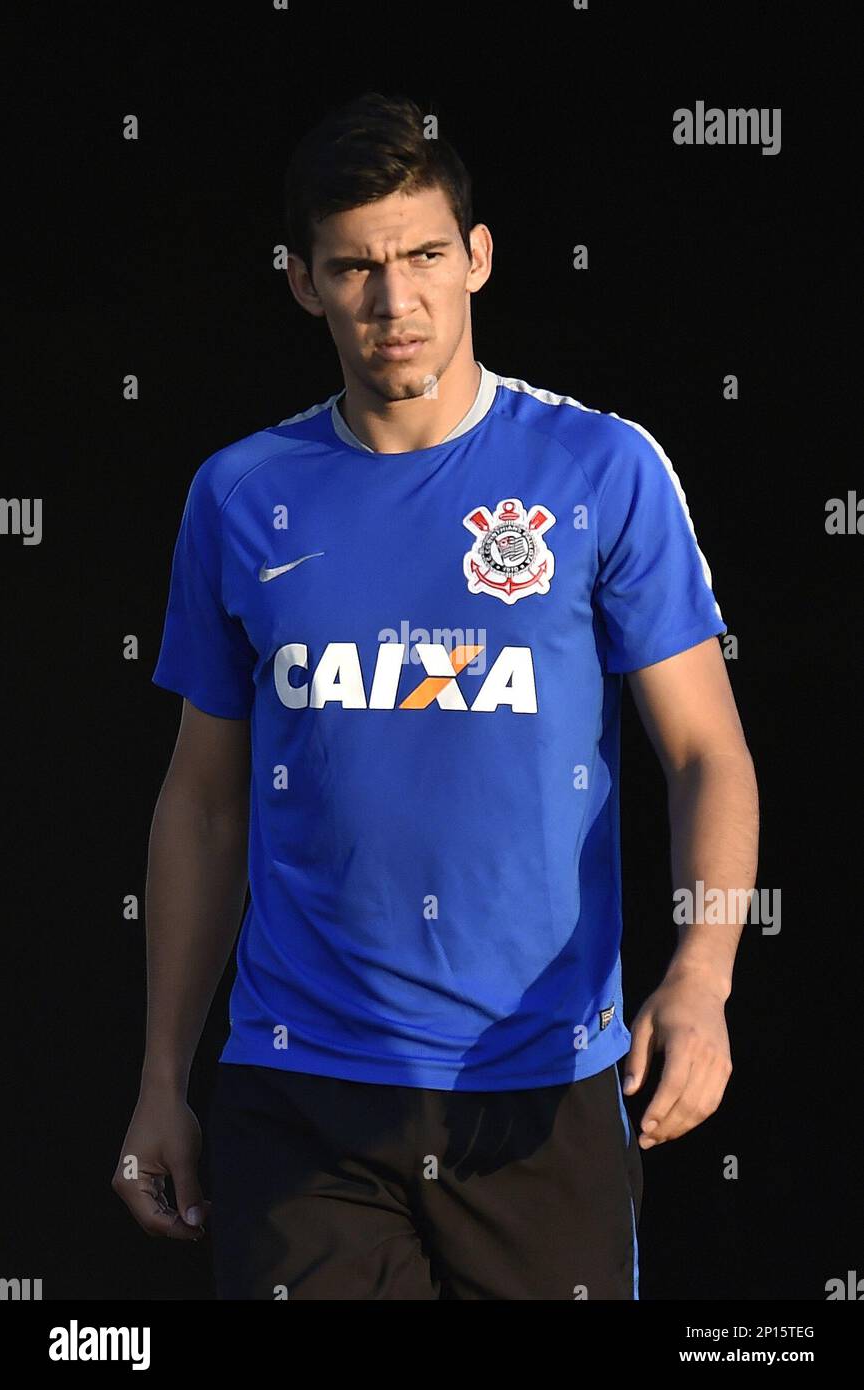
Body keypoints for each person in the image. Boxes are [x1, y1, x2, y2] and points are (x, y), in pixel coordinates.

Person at [112, 91, 759, 1300]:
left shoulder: (599, 467)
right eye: (354, 267)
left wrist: (705, 974)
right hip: (301, 1089)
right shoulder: (241, 494)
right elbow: (201, 804)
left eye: (420, 257)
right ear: (303, 282)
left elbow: (706, 754)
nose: (393, 301)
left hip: (541, 1088)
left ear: (478, 259)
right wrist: (161, 1076)